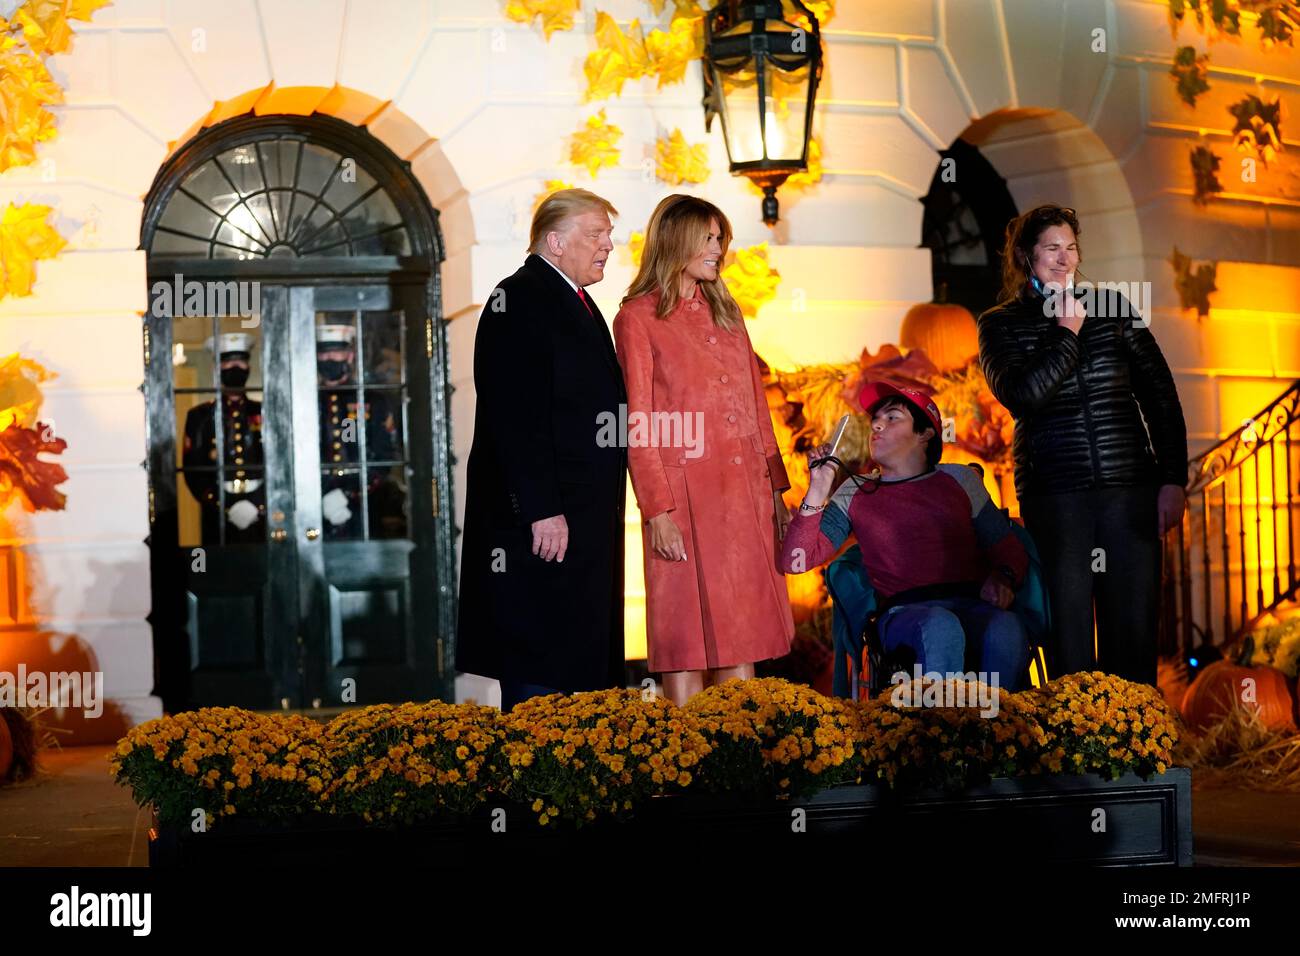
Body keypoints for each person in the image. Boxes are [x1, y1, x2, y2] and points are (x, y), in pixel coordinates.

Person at [977, 203, 1188, 686]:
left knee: (1132, 629)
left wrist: (1173, 478)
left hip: (1128, 492)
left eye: (1071, 247)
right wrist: (1067, 332)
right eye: (1052, 247)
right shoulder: (999, 324)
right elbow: (1023, 396)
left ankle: (1136, 749)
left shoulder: (1113, 308)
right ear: (1026, 255)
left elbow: (1160, 396)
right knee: (1069, 638)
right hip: (1057, 498)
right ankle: (1076, 749)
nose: (1064, 258)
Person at [613, 194, 794, 706]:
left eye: (721, 239)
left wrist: (777, 491)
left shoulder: (729, 313)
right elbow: (640, 423)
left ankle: (743, 756)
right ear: (677, 240)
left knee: (743, 632)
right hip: (685, 500)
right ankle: (688, 765)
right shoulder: (637, 318)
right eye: (709, 238)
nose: (718, 249)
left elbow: (757, 407)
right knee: (685, 640)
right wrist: (657, 511)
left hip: (744, 497)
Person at [456, 188, 628, 710]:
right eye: (596, 234)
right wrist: (542, 510)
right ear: (555, 241)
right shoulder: (520, 297)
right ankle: (538, 787)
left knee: (576, 662)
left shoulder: (573, 298)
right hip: (543, 526)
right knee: (540, 667)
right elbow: (514, 416)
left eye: (609, 235)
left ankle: (578, 784)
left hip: (579, 521)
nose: (608, 246)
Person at [779, 382, 1032, 690]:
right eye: (875, 418)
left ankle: (1000, 726)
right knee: (941, 626)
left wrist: (1004, 576)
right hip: (904, 615)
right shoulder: (856, 490)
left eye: (893, 417)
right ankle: (942, 731)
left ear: (925, 434)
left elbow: (1008, 548)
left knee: (1007, 627)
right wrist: (818, 486)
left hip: (970, 603)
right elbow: (796, 560)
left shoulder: (961, 480)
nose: (876, 424)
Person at [316, 322, 403, 540]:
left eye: (337, 351)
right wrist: (323, 494)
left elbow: (385, 457)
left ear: (350, 355)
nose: (330, 358)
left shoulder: (372, 400)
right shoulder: (305, 400)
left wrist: (347, 494)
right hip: (314, 503)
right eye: (324, 354)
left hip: (363, 503)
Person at [182, 332, 265, 544]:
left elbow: (279, 461)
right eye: (228, 362)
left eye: (240, 360)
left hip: (261, 512)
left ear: (249, 367)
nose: (235, 367)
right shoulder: (199, 416)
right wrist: (225, 505)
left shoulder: (264, 411)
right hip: (217, 514)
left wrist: (259, 503)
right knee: (219, 571)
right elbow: (193, 470)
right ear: (216, 369)